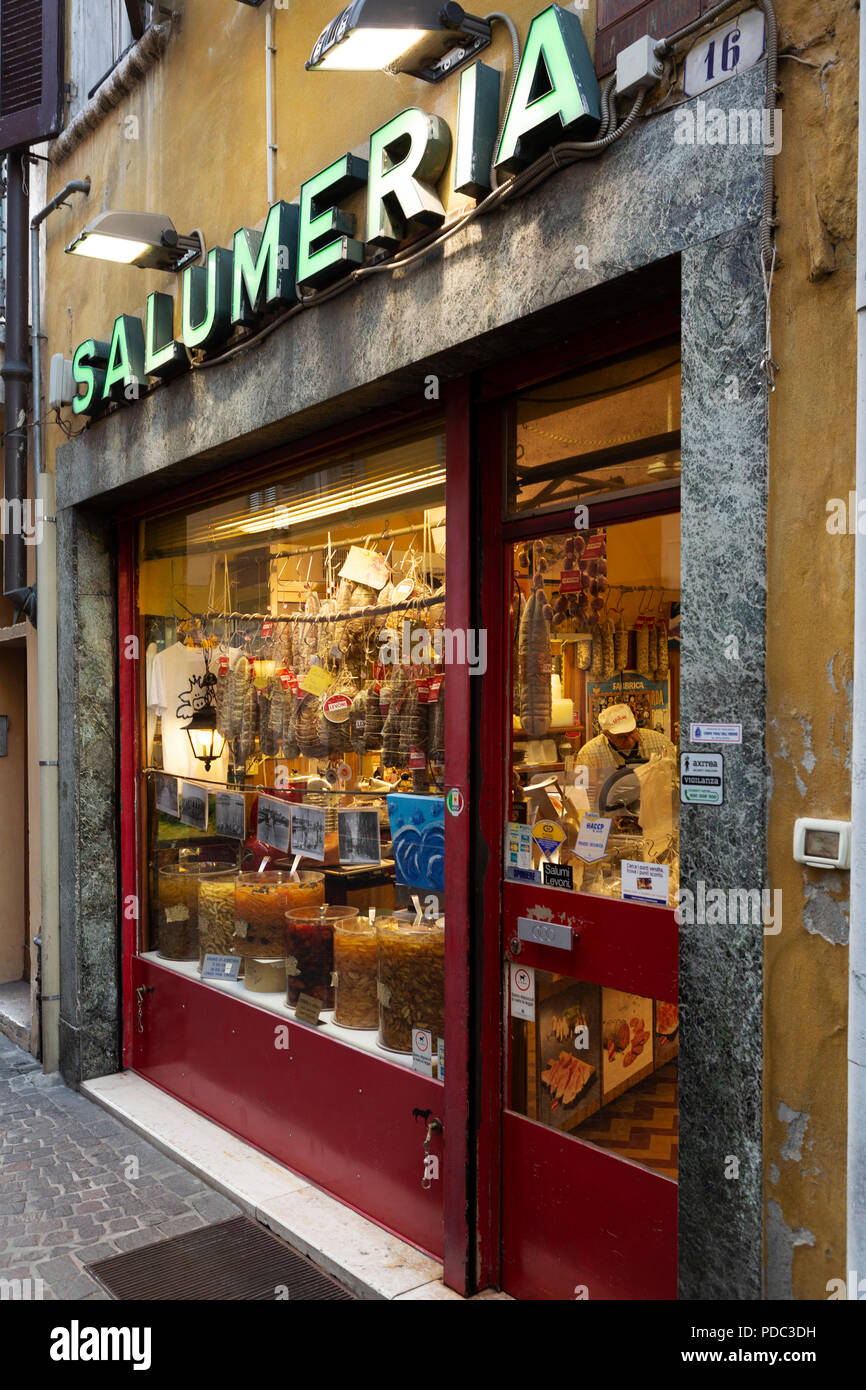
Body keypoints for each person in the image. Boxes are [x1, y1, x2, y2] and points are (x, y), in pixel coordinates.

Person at [576, 703, 676, 808]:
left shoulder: (661, 743)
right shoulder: (589, 753)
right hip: (610, 811)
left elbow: (672, 783)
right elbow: (582, 796)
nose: (629, 740)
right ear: (606, 735)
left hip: (654, 808)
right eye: (621, 737)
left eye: (632, 733)